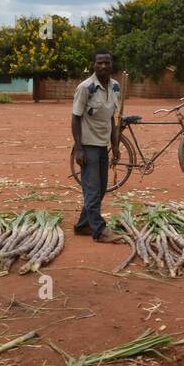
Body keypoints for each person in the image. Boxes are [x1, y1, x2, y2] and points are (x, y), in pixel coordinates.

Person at [71, 49, 121, 241]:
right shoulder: (85, 87)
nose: (103, 66)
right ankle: (99, 231)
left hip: (103, 145)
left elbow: (112, 120)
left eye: (106, 62)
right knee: (92, 190)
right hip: (88, 145)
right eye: (99, 62)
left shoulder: (116, 87)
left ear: (111, 64)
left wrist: (115, 145)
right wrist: (79, 148)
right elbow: (75, 119)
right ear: (93, 65)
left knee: (100, 190)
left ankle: (83, 226)